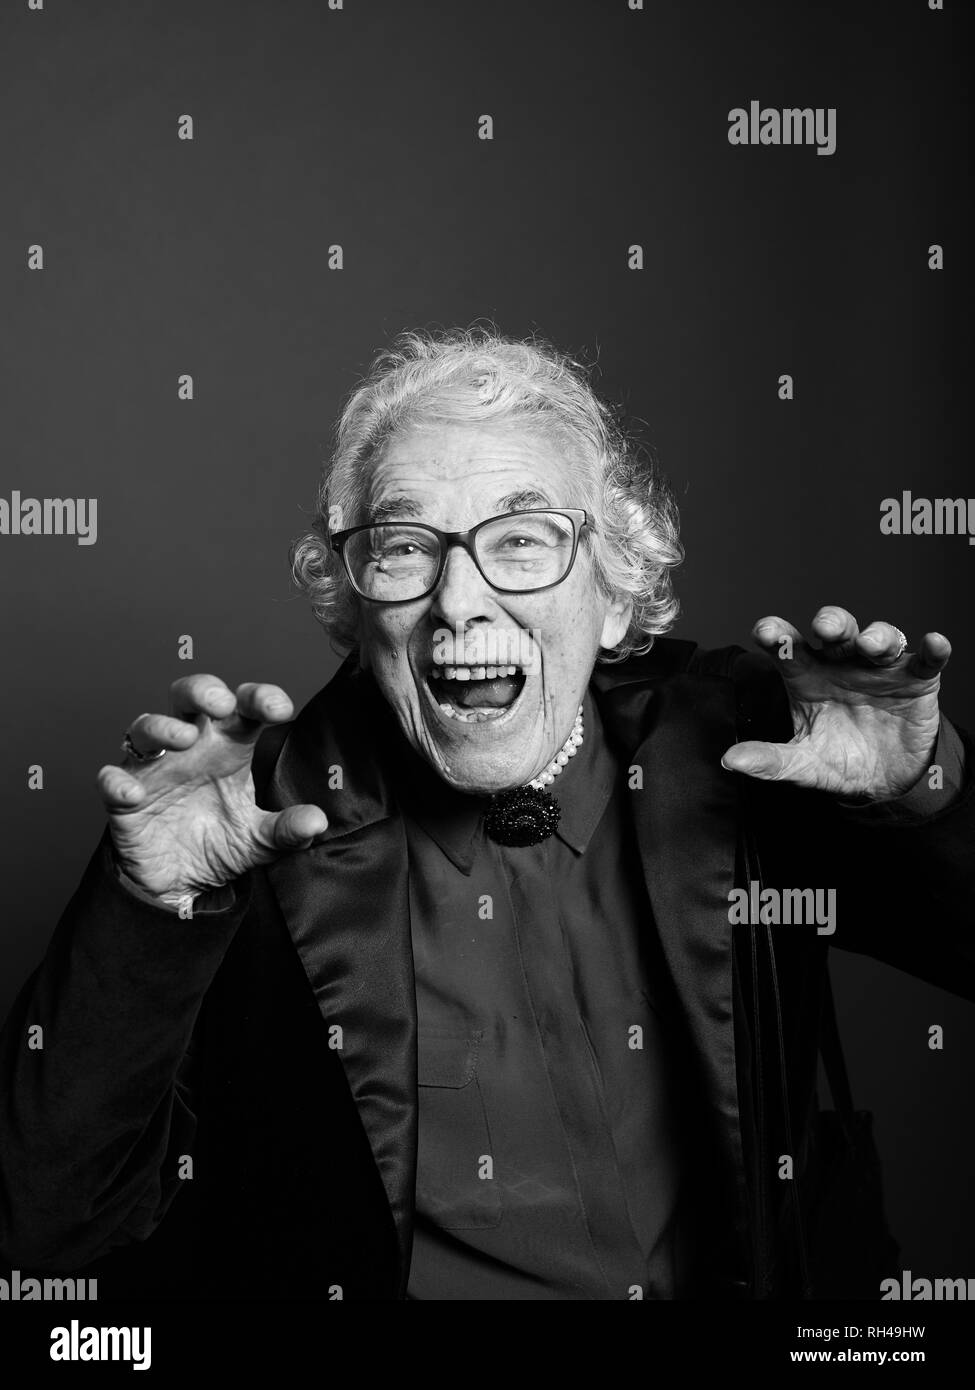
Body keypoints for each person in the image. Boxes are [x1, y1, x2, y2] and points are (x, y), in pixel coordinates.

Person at [1, 327, 972, 1301]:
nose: (459, 600)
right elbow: (46, 1216)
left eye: (521, 539)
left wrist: (917, 791)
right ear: (353, 595)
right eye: (405, 546)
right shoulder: (254, 820)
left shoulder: (748, 744)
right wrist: (145, 903)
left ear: (613, 593)